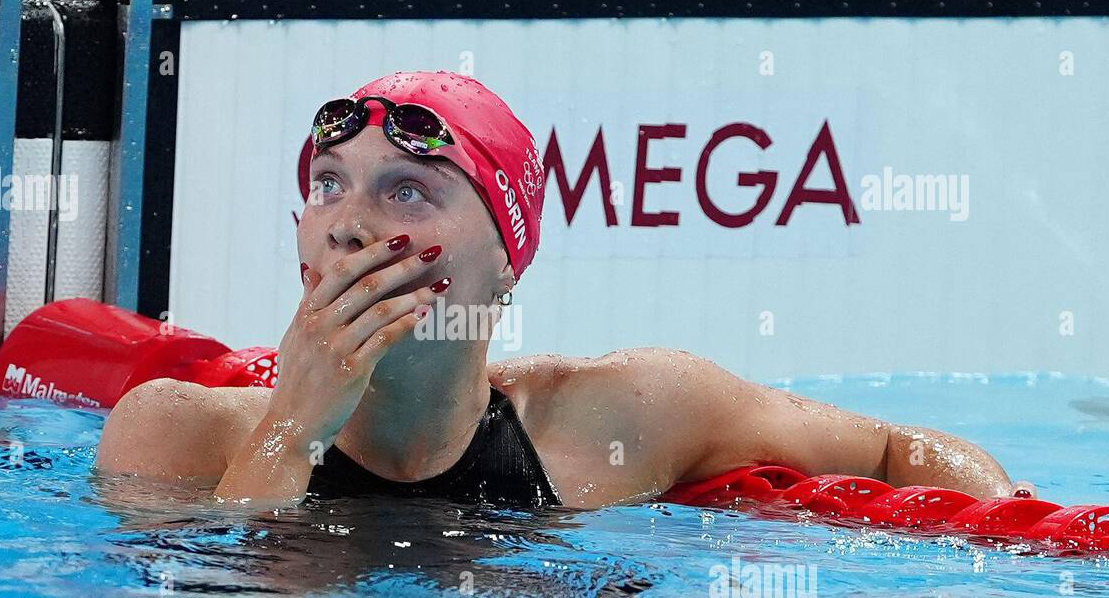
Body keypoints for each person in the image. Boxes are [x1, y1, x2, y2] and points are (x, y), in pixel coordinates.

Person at [96, 70, 1033, 510]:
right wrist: (293, 429)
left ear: (507, 257)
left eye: (407, 189)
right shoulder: (173, 430)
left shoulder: (622, 419)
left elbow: (901, 450)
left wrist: (1008, 561)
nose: (346, 222)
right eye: (328, 183)